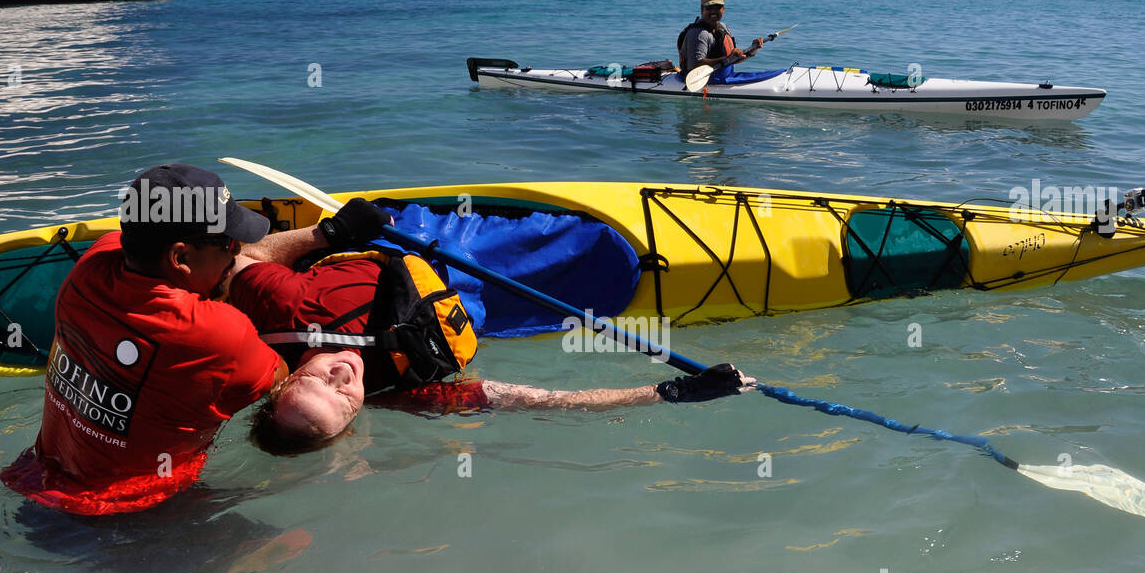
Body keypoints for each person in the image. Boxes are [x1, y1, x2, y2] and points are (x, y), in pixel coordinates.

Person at [0, 164, 386, 514]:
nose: (235, 252)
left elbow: (234, 264)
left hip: (35, 476)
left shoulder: (94, 262)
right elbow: (289, 387)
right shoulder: (219, 335)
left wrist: (329, 233)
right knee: (284, 559)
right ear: (180, 257)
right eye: (227, 244)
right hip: (133, 511)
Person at [222, 204, 752, 452]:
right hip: (469, 299)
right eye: (345, 397)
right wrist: (668, 391)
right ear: (358, 412)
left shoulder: (281, 308)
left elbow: (245, 256)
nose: (342, 375)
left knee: (587, 248)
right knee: (595, 270)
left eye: (318, 381)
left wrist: (328, 232)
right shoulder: (405, 395)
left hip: (416, 240)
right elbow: (538, 399)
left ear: (286, 381)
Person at [677, 0, 764, 83]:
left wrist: (753, 50)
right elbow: (695, 65)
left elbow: (733, 60)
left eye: (718, 8)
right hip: (701, 81)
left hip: (725, 77)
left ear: (723, 9)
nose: (713, 11)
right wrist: (728, 58)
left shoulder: (723, 28)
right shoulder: (698, 34)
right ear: (702, 9)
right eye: (709, 8)